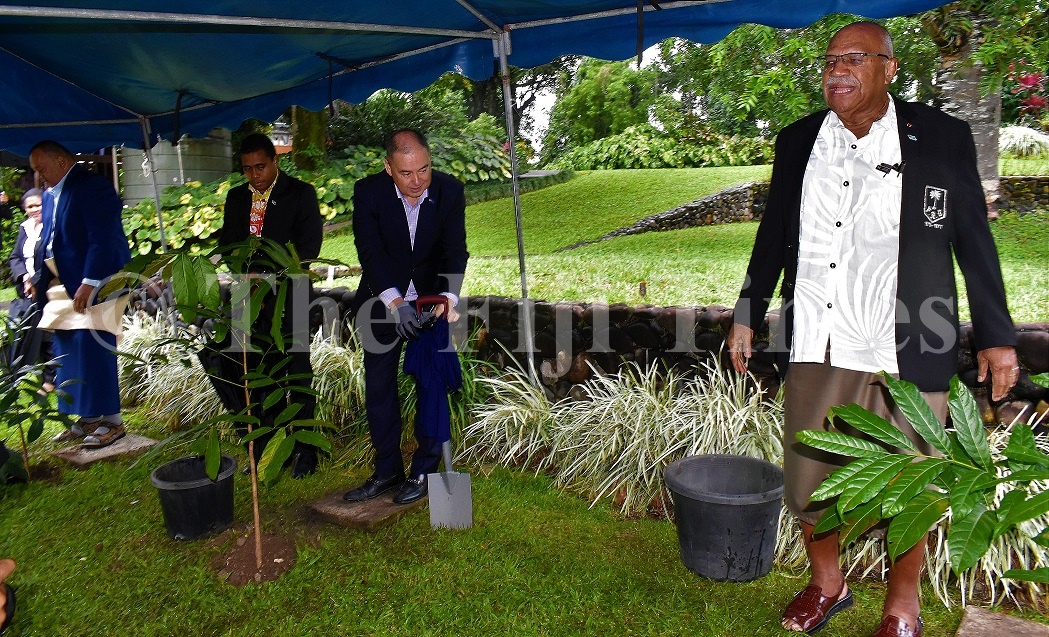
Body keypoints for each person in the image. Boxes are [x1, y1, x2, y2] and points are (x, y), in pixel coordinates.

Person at [727, 22, 1018, 637]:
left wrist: (997, 336)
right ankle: (827, 584)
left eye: (855, 59)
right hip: (819, 334)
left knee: (911, 481)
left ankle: (902, 605)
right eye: (831, 60)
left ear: (889, 67)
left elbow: (973, 237)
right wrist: (748, 311)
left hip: (907, 340)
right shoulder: (798, 140)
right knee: (809, 476)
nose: (837, 70)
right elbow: (773, 233)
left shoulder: (941, 136)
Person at [343, 129, 468, 505]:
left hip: (430, 301)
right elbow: (370, 251)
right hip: (381, 300)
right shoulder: (369, 192)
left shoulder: (450, 190)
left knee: (431, 384)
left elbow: (455, 250)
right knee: (379, 388)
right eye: (406, 173)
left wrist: (447, 299)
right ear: (388, 168)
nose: (417, 182)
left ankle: (424, 471)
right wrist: (396, 304)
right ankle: (387, 470)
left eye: (424, 170)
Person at [210, 133, 323, 478]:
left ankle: (305, 451)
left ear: (275, 161)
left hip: (291, 293)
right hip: (249, 297)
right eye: (247, 169)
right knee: (260, 373)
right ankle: (269, 449)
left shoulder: (300, 193)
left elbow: (309, 247)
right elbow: (228, 243)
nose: (254, 175)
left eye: (260, 166)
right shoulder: (236, 197)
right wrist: (244, 273)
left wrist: (269, 274)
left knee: (297, 370)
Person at [28, 141, 132, 448]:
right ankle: (87, 418)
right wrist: (40, 279)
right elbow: (51, 240)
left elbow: (104, 238)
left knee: (95, 348)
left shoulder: (93, 186)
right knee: (68, 351)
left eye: (42, 168)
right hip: (63, 282)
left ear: (61, 162)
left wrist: (90, 281)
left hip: (97, 280)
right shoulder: (49, 196)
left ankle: (112, 421)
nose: (39, 176)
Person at [7, 188, 56, 391]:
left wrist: (35, 281)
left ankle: (50, 380)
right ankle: (26, 374)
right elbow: (15, 257)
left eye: (38, 205)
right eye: (29, 207)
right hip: (28, 288)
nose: (34, 209)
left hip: (49, 286)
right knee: (28, 330)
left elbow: (52, 259)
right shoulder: (25, 228)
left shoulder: (53, 226)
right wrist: (24, 277)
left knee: (49, 332)